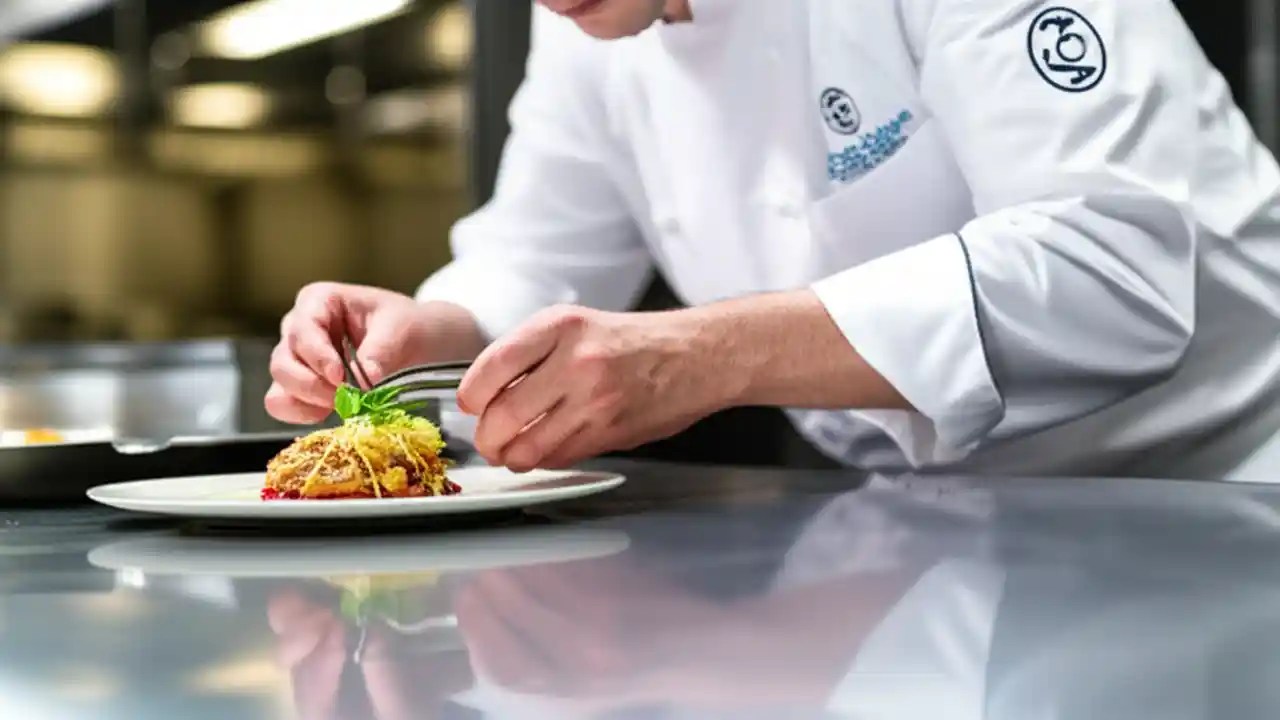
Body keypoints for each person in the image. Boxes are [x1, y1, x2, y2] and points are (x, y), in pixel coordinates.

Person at [267, 0, 1280, 480]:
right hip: (943, 522)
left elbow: (1113, 275)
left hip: (1220, 493)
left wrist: (704, 357)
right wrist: (423, 332)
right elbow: (536, 249)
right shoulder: (587, 29)